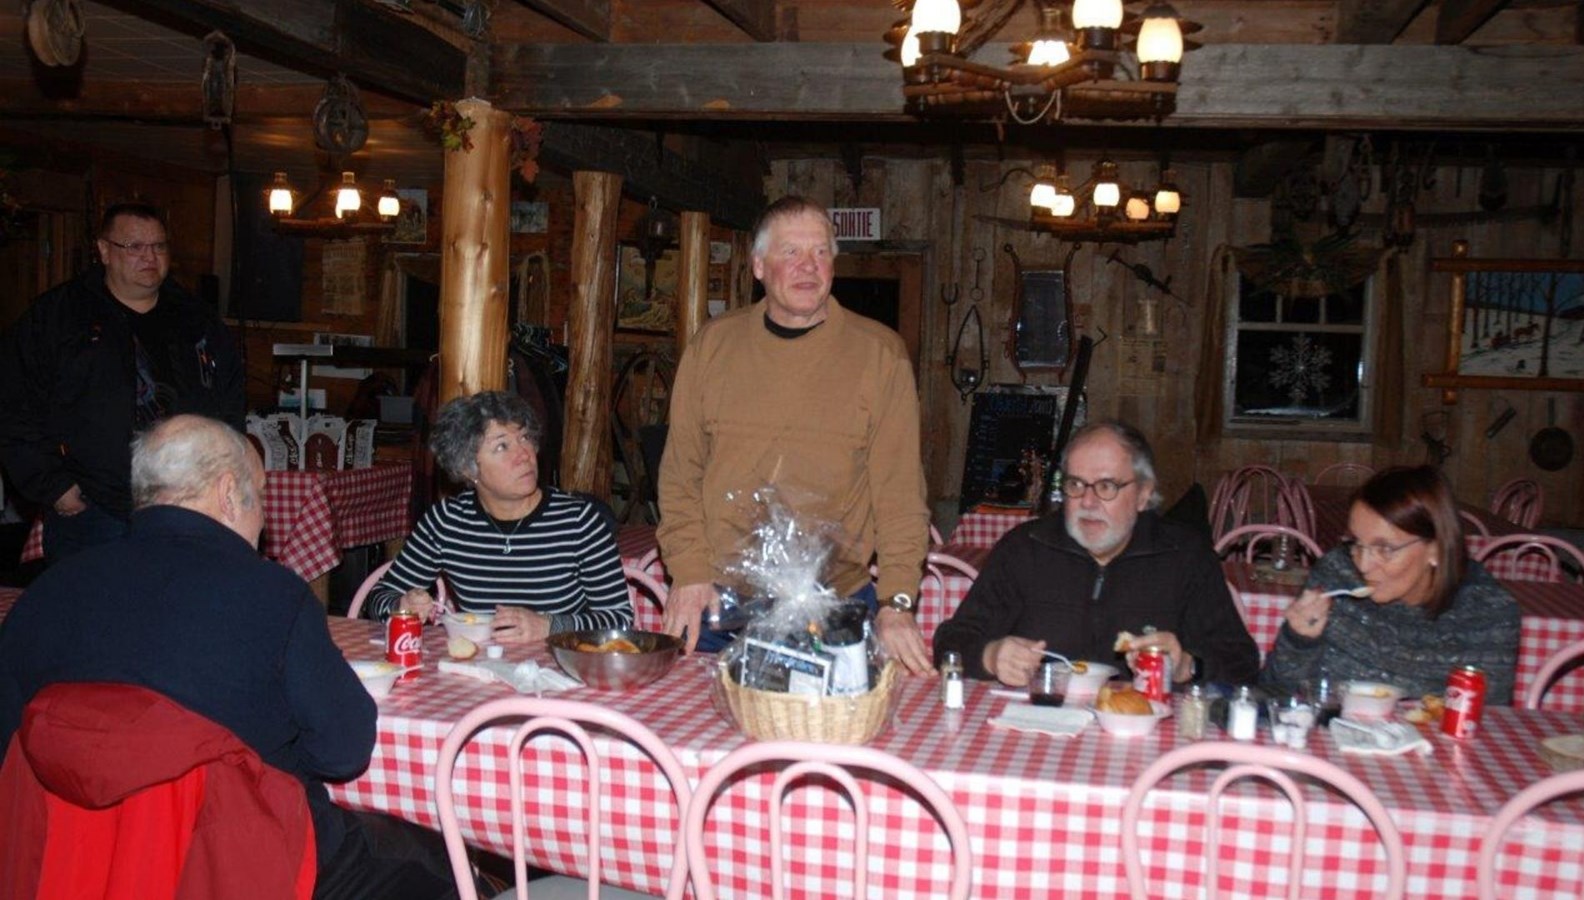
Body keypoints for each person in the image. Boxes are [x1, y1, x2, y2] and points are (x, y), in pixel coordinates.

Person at [0, 415, 454, 900]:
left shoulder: (46, 594)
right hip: (243, 868)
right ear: (228, 493)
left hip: (71, 869)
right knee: (435, 862)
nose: (263, 519)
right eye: (259, 497)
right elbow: (343, 751)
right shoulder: (271, 595)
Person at [656, 195, 934, 675]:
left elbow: (900, 496)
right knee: (703, 744)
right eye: (791, 253)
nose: (809, 267)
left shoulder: (880, 355)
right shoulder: (713, 347)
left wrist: (898, 601)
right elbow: (680, 475)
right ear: (759, 265)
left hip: (834, 606)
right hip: (719, 603)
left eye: (821, 253)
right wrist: (688, 570)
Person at [0, 202, 244, 564]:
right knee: (92, 613)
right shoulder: (58, 317)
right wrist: (54, 486)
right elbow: (14, 405)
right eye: (134, 247)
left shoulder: (196, 320)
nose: (149, 256)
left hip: (184, 503)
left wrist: (219, 471)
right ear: (104, 250)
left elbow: (230, 404)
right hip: (93, 507)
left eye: (159, 246)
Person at [933, 421, 1260, 687]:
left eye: (1106, 487)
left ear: (1144, 494)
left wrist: (1188, 666)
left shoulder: (1185, 556)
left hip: (1146, 742)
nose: (1087, 502)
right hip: (1036, 734)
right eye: (1076, 485)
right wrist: (991, 655)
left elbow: (1242, 663)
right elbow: (951, 640)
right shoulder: (1025, 548)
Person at [368, 390, 632, 642]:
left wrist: (549, 625)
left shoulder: (579, 521)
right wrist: (401, 605)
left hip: (558, 673)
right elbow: (379, 597)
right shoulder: (446, 522)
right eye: (502, 446)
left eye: (525, 438)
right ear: (467, 467)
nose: (524, 455)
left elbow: (621, 619)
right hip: (478, 672)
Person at [1260, 465, 1520, 704]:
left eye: (1384, 548)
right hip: (1322, 745)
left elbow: (1486, 720)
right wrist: (1298, 641)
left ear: (1437, 550)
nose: (1363, 565)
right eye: (1357, 544)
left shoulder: (1486, 614)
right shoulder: (1336, 575)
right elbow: (1273, 694)